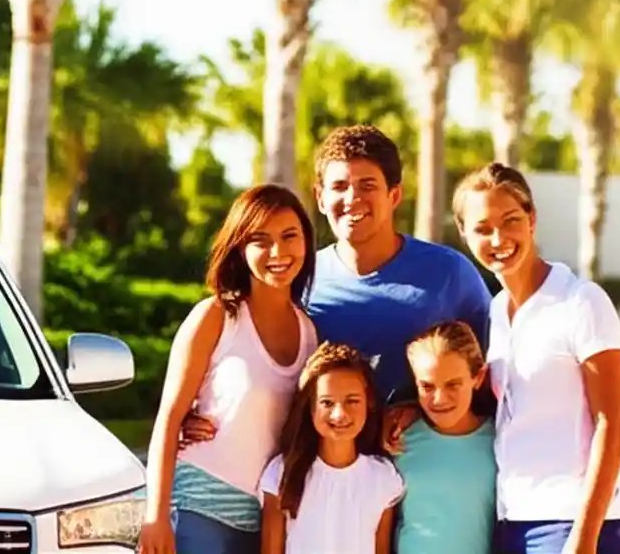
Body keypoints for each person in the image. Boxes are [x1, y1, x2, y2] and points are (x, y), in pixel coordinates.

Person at [183, 125, 493, 452]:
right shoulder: (296, 278)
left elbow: (492, 373)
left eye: (367, 185)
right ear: (320, 197)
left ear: (394, 195)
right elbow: (254, 361)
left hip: (424, 467)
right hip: (327, 478)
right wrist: (197, 411)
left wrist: (419, 406)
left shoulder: (450, 273)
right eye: (339, 186)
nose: (351, 199)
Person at [452, 163, 620, 554]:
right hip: (513, 518)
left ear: (531, 219)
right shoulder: (498, 311)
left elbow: (611, 423)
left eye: (510, 220)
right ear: (464, 234)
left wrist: (584, 538)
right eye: (482, 228)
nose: (498, 238)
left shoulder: (581, 301)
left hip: (573, 522)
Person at [138, 184, 320, 554]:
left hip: (267, 517)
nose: (278, 252)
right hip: (199, 507)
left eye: (290, 236)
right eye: (260, 240)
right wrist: (154, 517)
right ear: (240, 247)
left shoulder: (309, 332)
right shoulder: (216, 316)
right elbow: (169, 420)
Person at [260, 342, 405, 554]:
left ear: (369, 402)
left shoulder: (383, 477)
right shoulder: (281, 472)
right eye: (327, 403)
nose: (340, 414)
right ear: (310, 408)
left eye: (352, 401)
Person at [394, 320, 497, 554]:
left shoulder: (499, 442)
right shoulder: (398, 439)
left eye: (453, 385)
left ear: (478, 378)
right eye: (427, 387)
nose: (439, 399)